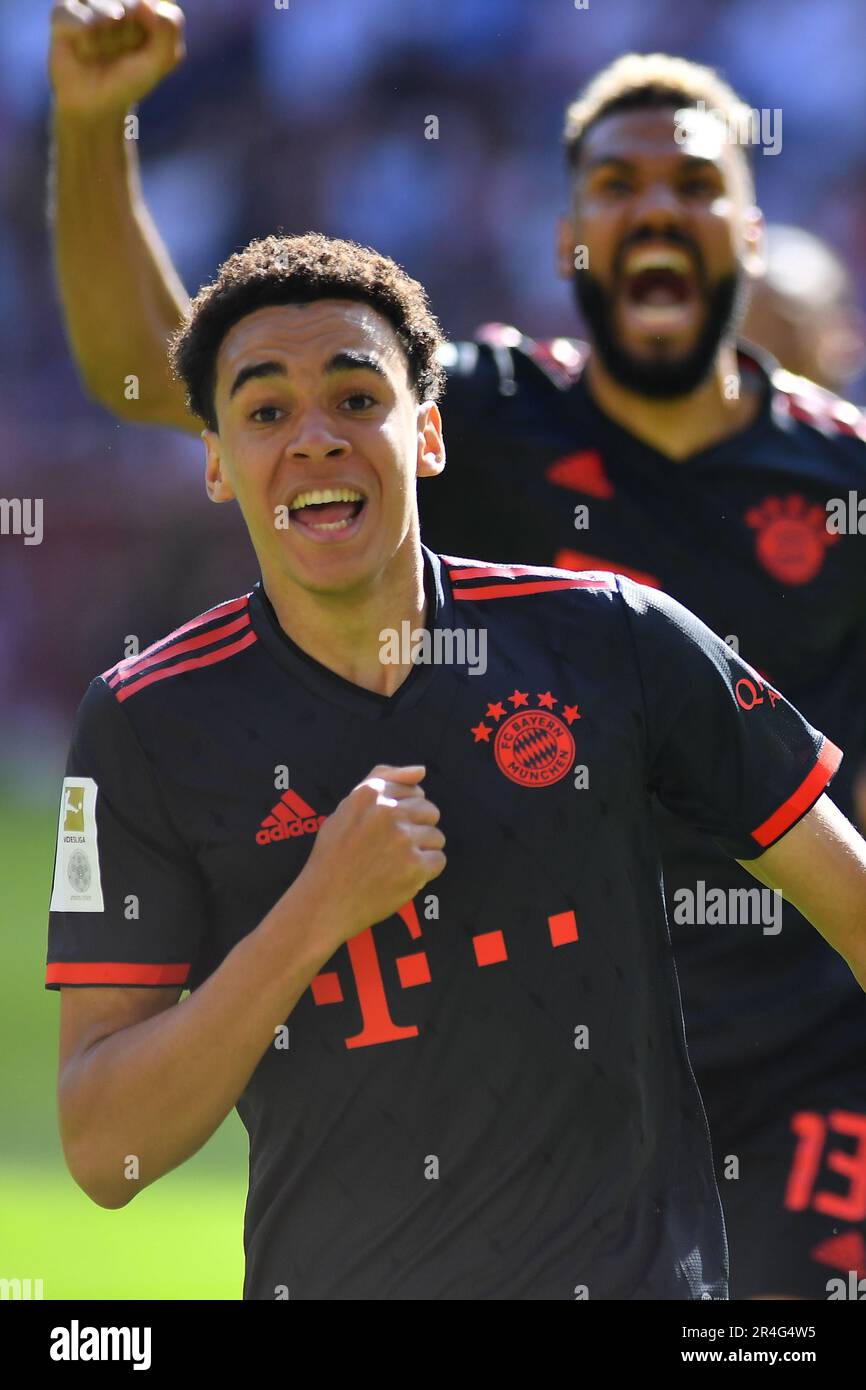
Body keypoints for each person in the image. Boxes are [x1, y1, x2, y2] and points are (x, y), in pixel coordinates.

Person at [47, 7, 866, 1297]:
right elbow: (163, 368)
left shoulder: (817, 498)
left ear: (753, 236)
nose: (316, 434)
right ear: (566, 240)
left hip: (796, 1068)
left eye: (696, 182)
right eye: (616, 181)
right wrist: (94, 132)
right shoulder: (489, 411)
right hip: (504, 1043)